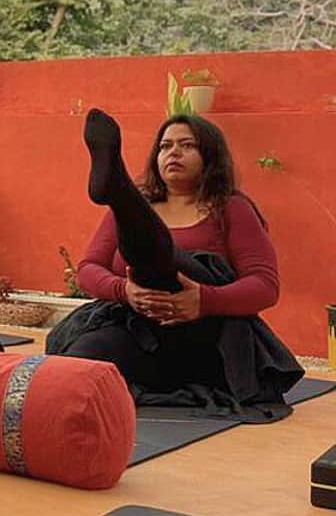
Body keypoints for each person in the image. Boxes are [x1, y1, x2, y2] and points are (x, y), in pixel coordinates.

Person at [47, 109, 302, 413]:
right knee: (74, 365)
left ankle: (119, 187)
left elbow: (264, 285)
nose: (174, 153)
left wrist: (203, 300)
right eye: (165, 146)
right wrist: (123, 291)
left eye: (187, 145)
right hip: (137, 329)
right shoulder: (131, 214)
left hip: (203, 338)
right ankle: (120, 188)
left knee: (171, 261)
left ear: (210, 156)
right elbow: (88, 269)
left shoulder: (232, 208)